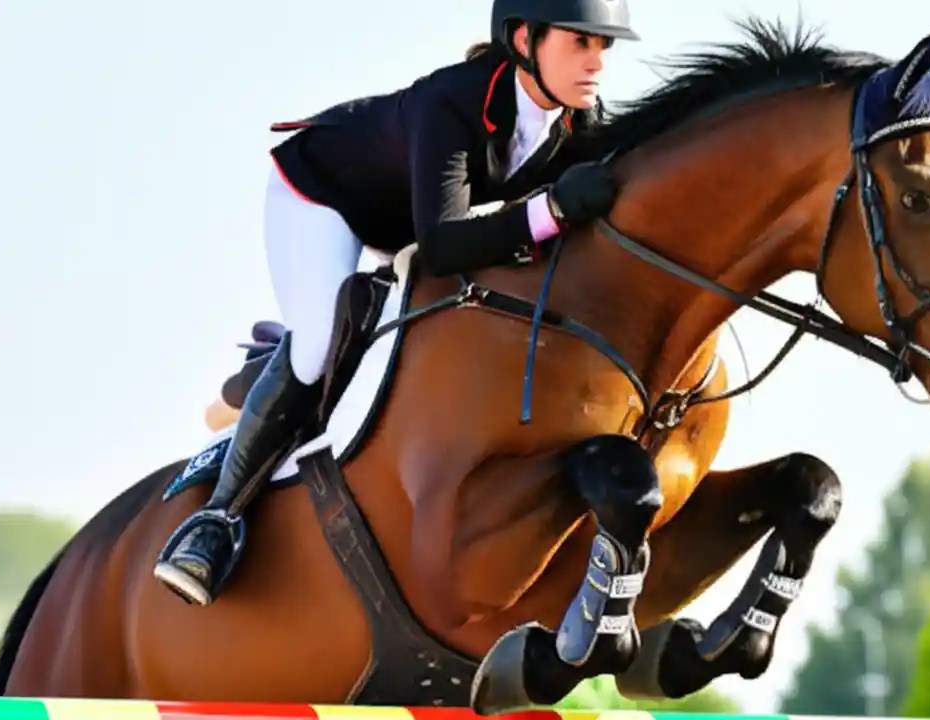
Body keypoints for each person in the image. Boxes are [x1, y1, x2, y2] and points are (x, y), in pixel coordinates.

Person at [152, 0, 639, 606]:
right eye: (580, 43)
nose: (596, 63)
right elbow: (439, 244)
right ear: (523, 39)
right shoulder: (453, 101)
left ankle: (265, 377)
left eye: (604, 48)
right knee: (320, 345)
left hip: (406, 222)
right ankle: (214, 522)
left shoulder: (578, 118)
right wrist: (551, 211)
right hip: (324, 198)